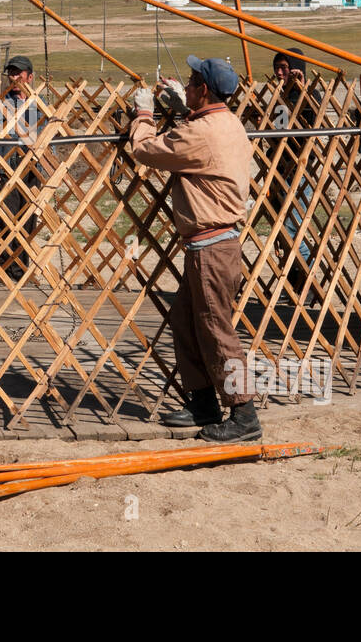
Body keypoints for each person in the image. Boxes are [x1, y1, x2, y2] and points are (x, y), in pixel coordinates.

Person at [128, 56, 261, 441]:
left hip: (210, 251)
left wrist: (144, 114)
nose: (185, 85)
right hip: (215, 246)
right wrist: (185, 109)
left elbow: (147, 150)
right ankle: (203, 402)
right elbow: (199, 130)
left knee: (216, 329)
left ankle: (244, 415)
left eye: (190, 82)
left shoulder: (200, 133)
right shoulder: (226, 122)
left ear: (204, 89)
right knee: (187, 321)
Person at [0, 55, 44, 283]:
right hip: (3, 168)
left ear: (30, 76)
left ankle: (19, 272)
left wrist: (46, 170)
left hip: (30, 170)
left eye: (19, 73)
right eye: (11, 73)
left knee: (26, 221)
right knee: (0, 221)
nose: (15, 77)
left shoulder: (40, 105)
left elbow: (49, 140)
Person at [269, 49, 323, 297]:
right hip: (279, 169)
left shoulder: (311, 95)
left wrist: (302, 89)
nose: (280, 73)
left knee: (291, 229)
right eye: (277, 68)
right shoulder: (279, 96)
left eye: (284, 67)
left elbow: (313, 124)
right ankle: (295, 282)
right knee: (282, 230)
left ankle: (310, 282)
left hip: (299, 171)